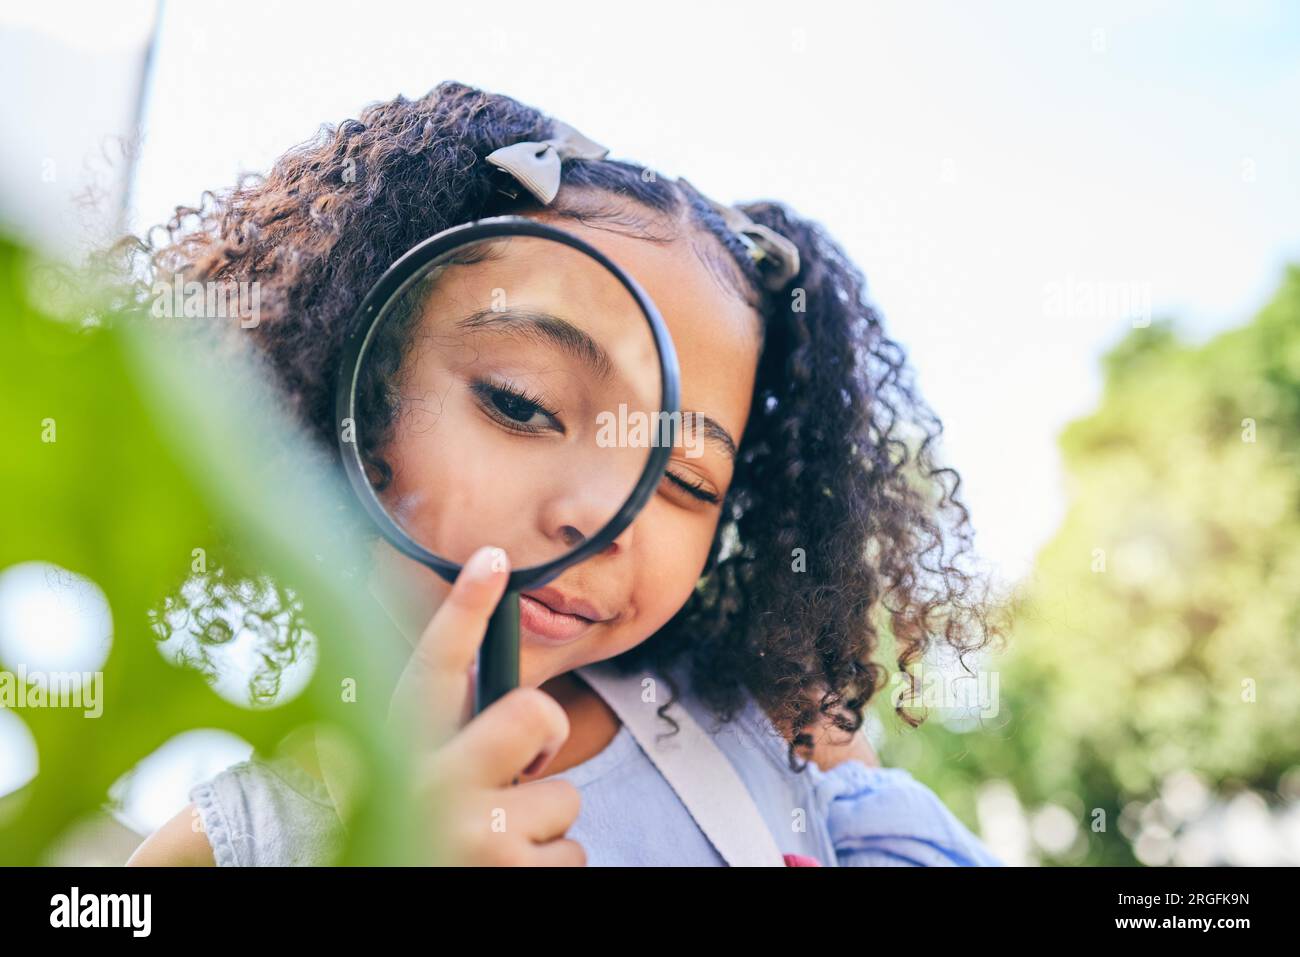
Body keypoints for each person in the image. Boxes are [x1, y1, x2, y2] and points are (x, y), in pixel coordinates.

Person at [127, 80, 1003, 867]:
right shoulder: (229, 849)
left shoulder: (781, 738)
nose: (600, 517)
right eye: (520, 402)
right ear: (352, 385)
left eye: (689, 481)